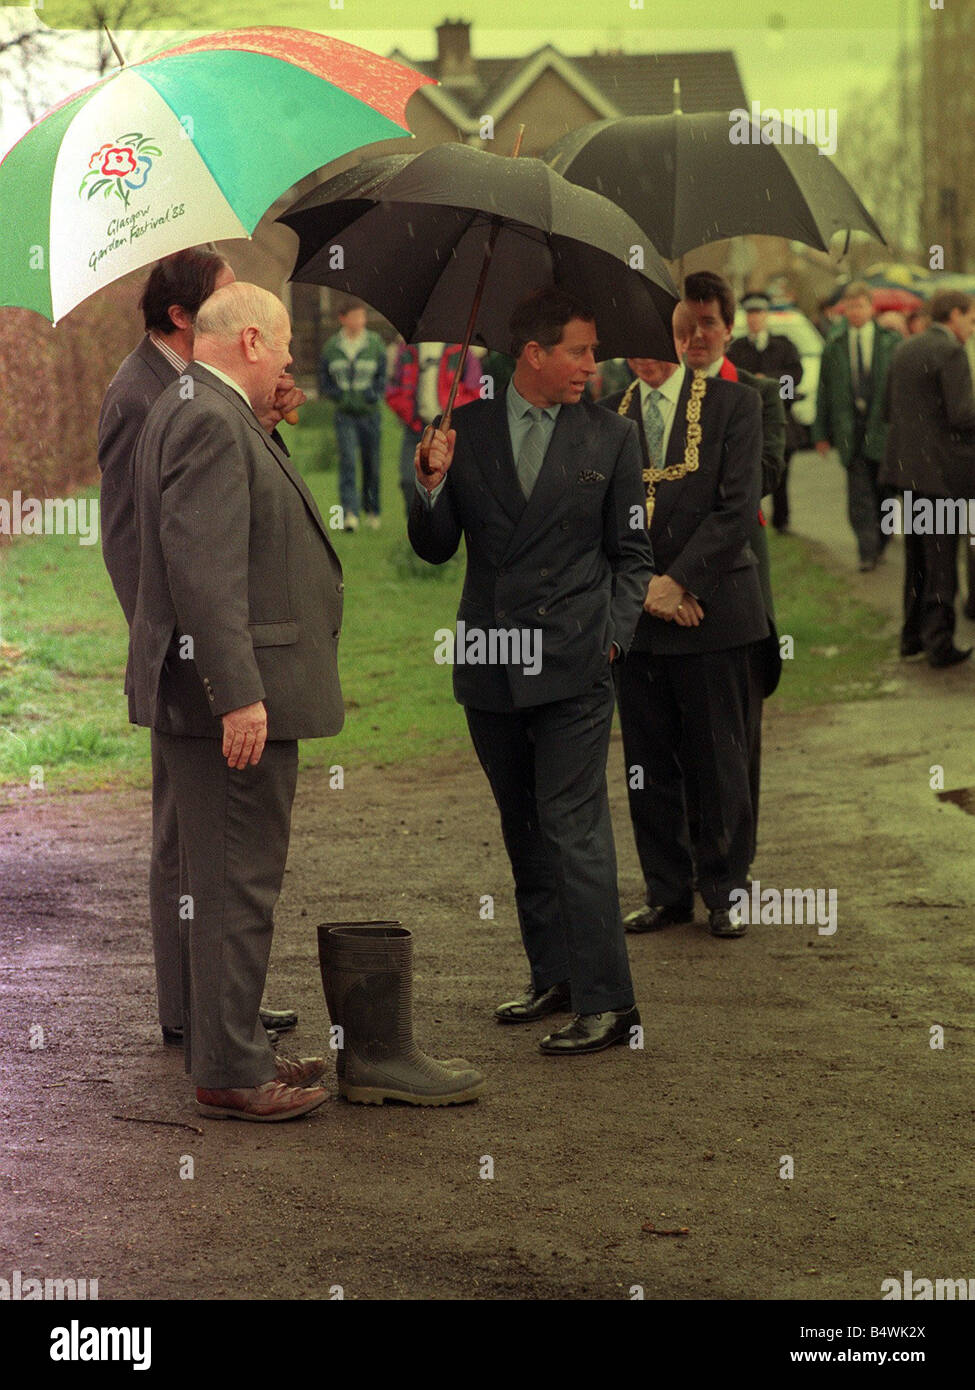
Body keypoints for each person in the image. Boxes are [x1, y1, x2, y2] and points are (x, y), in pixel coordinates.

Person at [409, 287, 651, 1054]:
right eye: (578, 350)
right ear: (533, 354)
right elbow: (434, 548)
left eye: (593, 351)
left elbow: (632, 557)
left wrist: (610, 639)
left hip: (575, 663)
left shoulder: (611, 436)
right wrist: (430, 482)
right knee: (523, 827)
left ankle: (611, 1004)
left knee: (573, 828)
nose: (591, 364)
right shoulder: (461, 428)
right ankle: (555, 977)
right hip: (488, 663)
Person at [130, 283, 343, 1121]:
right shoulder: (208, 420)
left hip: (216, 696)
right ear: (252, 339)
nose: (293, 360)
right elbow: (204, 572)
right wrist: (239, 695)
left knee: (226, 879)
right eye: (286, 345)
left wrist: (267, 424)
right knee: (234, 885)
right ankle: (227, 1071)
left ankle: (234, 1047)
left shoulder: (204, 409)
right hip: (230, 703)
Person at [97, 249, 302, 1049]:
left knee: (197, 839)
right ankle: (194, 1011)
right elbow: (133, 543)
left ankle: (211, 1003)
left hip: (196, 651)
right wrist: (177, 653)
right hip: (186, 660)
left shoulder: (197, 393)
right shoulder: (136, 394)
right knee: (188, 840)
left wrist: (263, 419)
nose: (233, 314)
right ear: (183, 318)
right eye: (219, 301)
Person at [602, 304, 767, 940]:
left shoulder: (734, 404)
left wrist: (682, 581)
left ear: (683, 338)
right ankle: (667, 890)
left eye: (658, 342)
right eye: (632, 347)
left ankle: (726, 889)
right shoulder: (605, 413)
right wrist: (647, 589)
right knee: (648, 759)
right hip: (639, 617)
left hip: (713, 613)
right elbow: (594, 514)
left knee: (719, 759)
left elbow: (737, 506)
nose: (645, 358)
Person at [680, 272, 786, 869]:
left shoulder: (756, 392)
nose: (698, 337)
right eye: (688, 326)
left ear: (728, 328)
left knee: (735, 741)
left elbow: (763, 476)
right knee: (671, 745)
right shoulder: (654, 394)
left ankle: (731, 872)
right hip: (667, 589)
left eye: (710, 325)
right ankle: (681, 873)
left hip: (738, 580)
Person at [880, 289, 975, 668]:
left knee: (918, 557)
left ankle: (912, 636)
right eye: (970, 318)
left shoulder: (904, 348)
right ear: (953, 315)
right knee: (941, 560)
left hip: (907, 471)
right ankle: (939, 641)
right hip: (943, 474)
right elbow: (963, 415)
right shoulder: (951, 352)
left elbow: (887, 407)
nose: (972, 327)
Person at [812, 281, 899, 572]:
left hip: (882, 429)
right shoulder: (834, 346)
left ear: (871, 308)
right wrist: (821, 434)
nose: (855, 312)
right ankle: (867, 550)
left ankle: (882, 540)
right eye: (850, 307)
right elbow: (824, 392)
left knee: (884, 491)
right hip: (849, 429)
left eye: (860, 306)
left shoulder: (890, 342)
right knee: (858, 494)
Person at [727, 291, 803, 533]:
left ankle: (782, 519)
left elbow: (794, 380)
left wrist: (770, 382)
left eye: (759, 313)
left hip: (778, 418)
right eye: (750, 314)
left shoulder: (784, 346)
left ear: (767, 316)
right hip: (747, 421)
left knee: (780, 470)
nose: (755, 319)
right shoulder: (737, 349)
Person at [386, 341, 481, 517]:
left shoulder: (461, 352)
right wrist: (408, 412)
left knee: (453, 485)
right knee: (408, 481)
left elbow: (476, 390)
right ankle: (417, 525)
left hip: (449, 431)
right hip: (416, 427)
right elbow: (392, 387)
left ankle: (441, 528)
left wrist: (454, 410)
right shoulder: (407, 350)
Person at [318, 299, 387, 531]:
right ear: (343, 318)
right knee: (347, 462)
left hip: (370, 414)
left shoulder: (376, 344)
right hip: (344, 415)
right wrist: (337, 395)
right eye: (355, 316)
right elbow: (323, 380)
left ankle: (373, 510)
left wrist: (373, 394)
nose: (360, 321)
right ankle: (349, 514)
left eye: (363, 317)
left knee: (372, 464)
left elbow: (383, 376)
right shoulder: (331, 347)